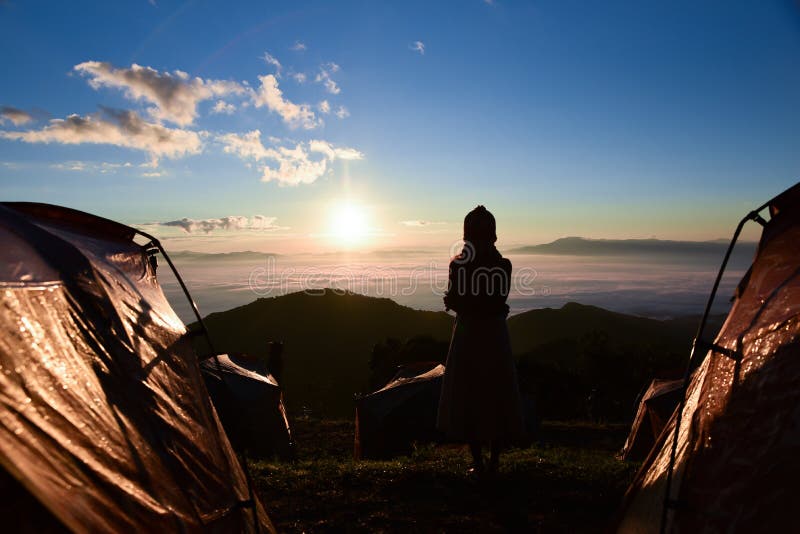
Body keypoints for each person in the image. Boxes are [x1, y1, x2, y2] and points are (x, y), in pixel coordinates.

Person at [437, 205, 525, 478]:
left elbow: (456, 300)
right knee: (496, 390)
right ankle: (495, 460)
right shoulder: (503, 265)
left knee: (468, 391)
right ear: (494, 237)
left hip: (468, 333)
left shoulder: (458, 264)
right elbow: (498, 300)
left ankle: (478, 461)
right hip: (495, 333)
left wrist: (457, 302)